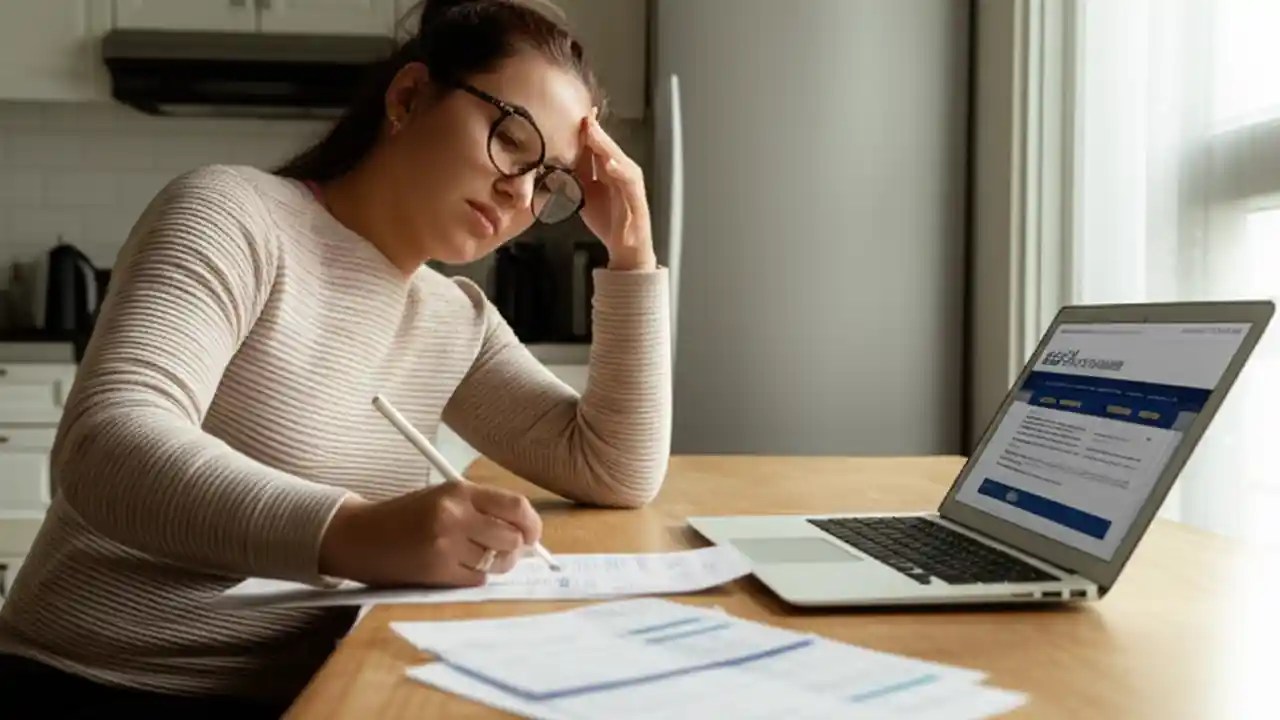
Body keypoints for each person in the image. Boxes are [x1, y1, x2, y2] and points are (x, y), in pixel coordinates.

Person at [0, 0, 671, 715]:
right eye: (512, 139)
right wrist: (354, 534)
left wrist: (632, 253)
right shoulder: (234, 216)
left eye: (550, 182)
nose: (520, 191)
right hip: (93, 682)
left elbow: (614, 469)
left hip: (318, 689)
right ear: (409, 97)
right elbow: (105, 446)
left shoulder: (453, 320)